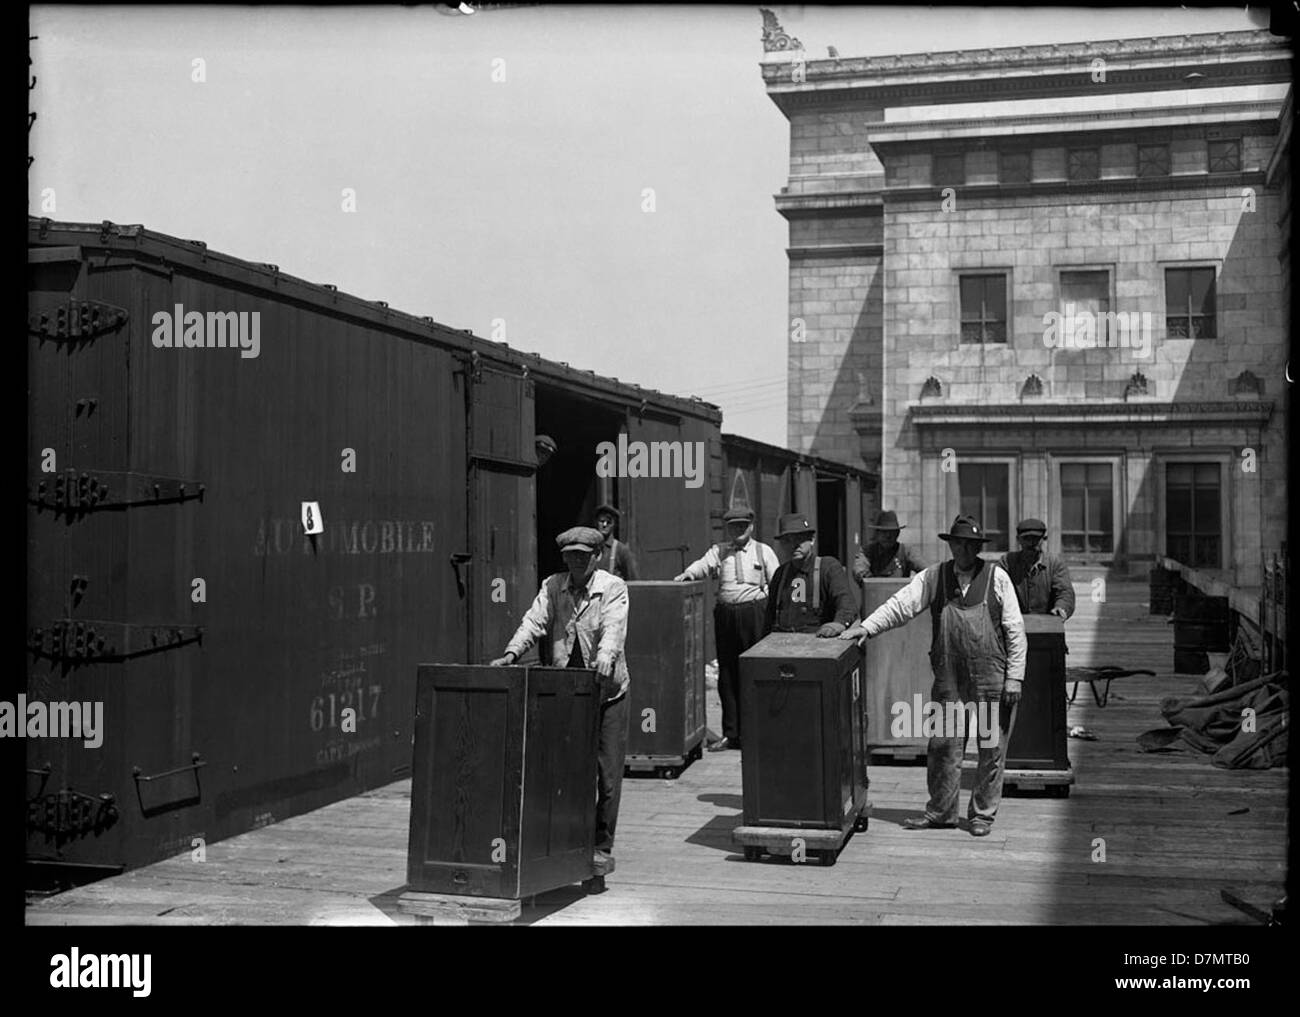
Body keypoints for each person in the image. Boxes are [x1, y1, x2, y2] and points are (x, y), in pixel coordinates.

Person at [841, 514, 1026, 837]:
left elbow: (1015, 630)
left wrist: (1015, 677)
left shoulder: (997, 578)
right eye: (958, 543)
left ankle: (982, 814)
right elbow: (901, 605)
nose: (964, 550)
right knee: (943, 746)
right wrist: (867, 628)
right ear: (951, 545)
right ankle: (941, 811)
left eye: (970, 545)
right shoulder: (934, 577)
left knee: (990, 748)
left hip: (991, 677)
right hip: (949, 677)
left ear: (977, 547)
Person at [490, 526, 629, 875]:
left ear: (596, 556)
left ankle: (600, 844)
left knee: (607, 775)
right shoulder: (553, 586)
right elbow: (534, 621)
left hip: (607, 692)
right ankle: (566, 840)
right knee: (564, 769)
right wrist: (511, 653)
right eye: (571, 556)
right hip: (566, 693)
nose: (577, 561)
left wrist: (605, 657)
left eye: (584, 555)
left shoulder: (613, 587)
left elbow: (614, 627)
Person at [675, 506, 780, 751]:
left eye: (743, 525)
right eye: (733, 526)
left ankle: (758, 732)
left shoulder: (763, 551)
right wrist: (687, 575)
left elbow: (777, 583)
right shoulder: (719, 551)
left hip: (754, 613)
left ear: (752, 526)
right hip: (726, 615)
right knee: (728, 674)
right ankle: (731, 734)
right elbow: (701, 566)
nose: (738, 530)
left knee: (755, 671)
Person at [764, 512, 859, 637]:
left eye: (800, 539)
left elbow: (847, 605)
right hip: (783, 642)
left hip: (818, 642)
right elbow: (770, 616)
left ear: (812, 540)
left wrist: (838, 624)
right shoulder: (780, 574)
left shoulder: (828, 568)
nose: (794, 545)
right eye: (788, 540)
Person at [999, 518, 1076, 619]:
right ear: (1018, 539)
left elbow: (1064, 592)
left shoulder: (1055, 564)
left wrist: (1061, 608)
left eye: (1035, 539)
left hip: (1047, 625)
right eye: (1026, 538)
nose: (1031, 543)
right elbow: (996, 590)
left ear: (1044, 539)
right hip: (1013, 624)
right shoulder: (1007, 562)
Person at [851, 509, 928, 583]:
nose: (888, 536)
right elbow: (859, 570)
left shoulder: (906, 551)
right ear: (877, 534)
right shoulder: (867, 551)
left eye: (892, 532)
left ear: (897, 534)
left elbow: (927, 571)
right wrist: (871, 581)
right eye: (884, 532)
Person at [593, 504, 638, 581]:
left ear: (615, 525)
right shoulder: (591, 548)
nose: (604, 525)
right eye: (602, 521)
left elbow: (633, 582)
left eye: (608, 522)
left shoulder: (621, 550)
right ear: (596, 523)